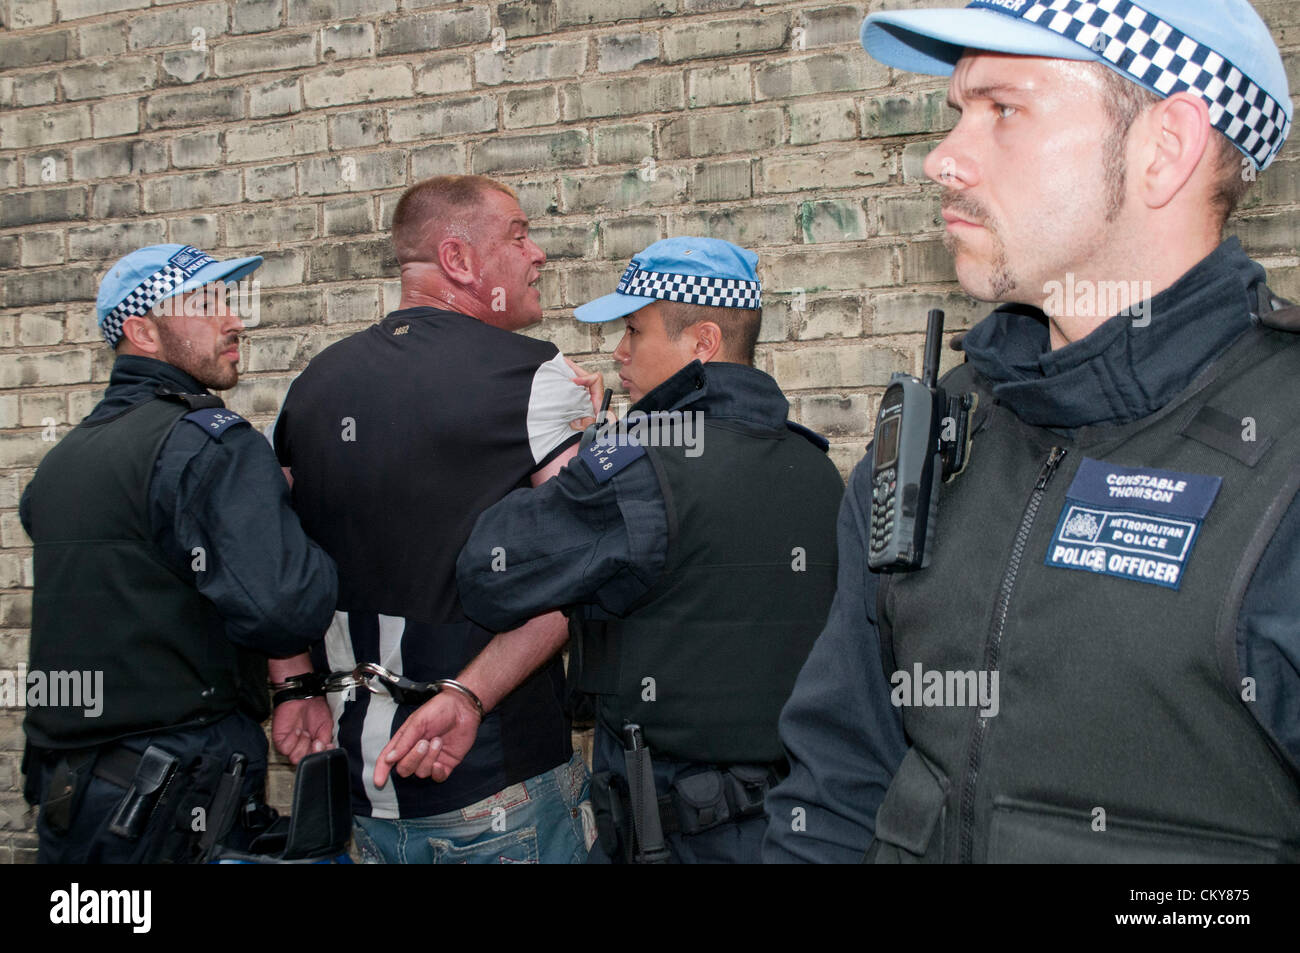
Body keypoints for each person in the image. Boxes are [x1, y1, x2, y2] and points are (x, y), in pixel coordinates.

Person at [764, 0, 1299, 863]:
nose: (943, 160)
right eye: (957, 113)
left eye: (1004, 110)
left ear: (1165, 148)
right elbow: (835, 787)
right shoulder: (938, 433)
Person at [431, 237, 846, 863]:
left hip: (673, 831)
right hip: (796, 825)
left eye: (635, 331)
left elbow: (489, 573)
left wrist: (570, 455)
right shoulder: (815, 465)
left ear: (702, 343)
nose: (620, 354)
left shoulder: (636, 470)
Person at [270, 174, 600, 864]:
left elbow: (271, 564)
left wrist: (293, 682)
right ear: (458, 260)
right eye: (518, 234)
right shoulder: (538, 376)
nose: (538, 253)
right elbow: (583, 573)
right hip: (499, 785)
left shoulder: (311, 386)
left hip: (360, 795)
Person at [20, 243, 339, 863]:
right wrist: (287, 520)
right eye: (205, 303)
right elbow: (285, 608)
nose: (233, 320)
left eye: (228, 300)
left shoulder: (61, 465)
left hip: (73, 794)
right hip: (172, 791)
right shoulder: (208, 446)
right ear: (142, 330)